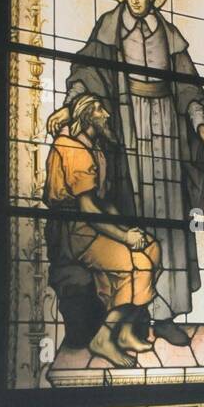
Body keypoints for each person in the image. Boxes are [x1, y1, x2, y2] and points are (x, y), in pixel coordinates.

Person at [47, 0, 204, 346]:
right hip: (127, 130)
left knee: (172, 216)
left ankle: (167, 313)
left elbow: (189, 87)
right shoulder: (109, 27)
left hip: (167, 131)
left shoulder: (169, 35)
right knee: (134, 213)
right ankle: (134, 316)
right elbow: (86, 72)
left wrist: (199, 125)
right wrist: (71, 105)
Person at [44, 93, 160, 367]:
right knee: (137, 265)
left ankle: (126, 331)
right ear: (86, 116)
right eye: (99, 110)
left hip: (91, 224)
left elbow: (101, 203)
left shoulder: (93, 148)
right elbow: (88, 210)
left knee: (151, 248)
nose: (106, 115)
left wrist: (128, 229)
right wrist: (123, 237)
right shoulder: (72, 149)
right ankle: (104, 337)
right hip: (75, 232)